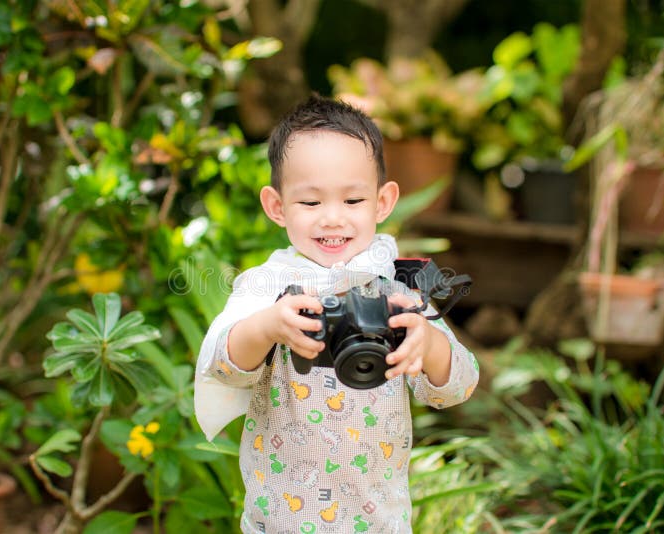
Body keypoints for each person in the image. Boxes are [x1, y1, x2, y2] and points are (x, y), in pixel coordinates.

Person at [195, 95, 479, 533]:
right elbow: (220, 364)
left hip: (379, 522)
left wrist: (430, 342)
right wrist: (268, 325)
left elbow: (458, 387)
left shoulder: (400, 286)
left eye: (352, 201)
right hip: (282, 521)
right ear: (276, 206)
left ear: (383, 202)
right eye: (310, 203)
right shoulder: (268, 287)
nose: (332, 219)